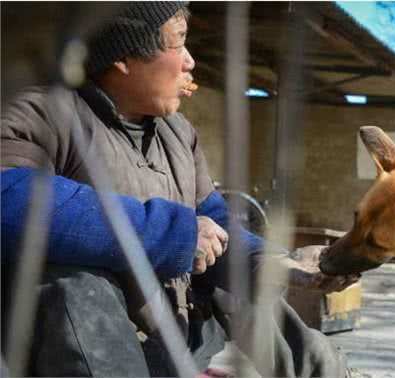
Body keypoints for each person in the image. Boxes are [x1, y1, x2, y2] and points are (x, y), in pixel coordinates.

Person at [0, 2, 357, 376]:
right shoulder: (44, 112)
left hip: (173, 339)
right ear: (125, 56)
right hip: (95, 349)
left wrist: (277, 262)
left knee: (241, 280)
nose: (189, 62)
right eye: (179, 44)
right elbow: (9, 195)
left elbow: (214, 222)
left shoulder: (178, 133)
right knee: (75, 281)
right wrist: (176, 235)